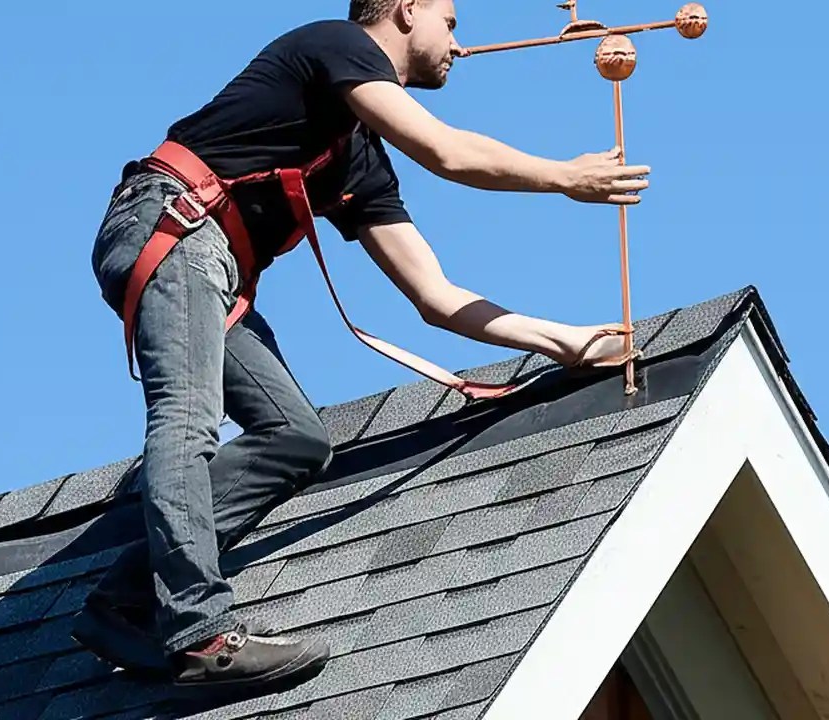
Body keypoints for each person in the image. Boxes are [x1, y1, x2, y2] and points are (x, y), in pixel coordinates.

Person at [73, 0, 650, 692]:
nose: (458, 45)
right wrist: (565, 177)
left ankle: (123, 600)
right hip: (173, 231)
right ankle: (200, 630)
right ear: (406, 10)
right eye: (452, 21)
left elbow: (434, 296)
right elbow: (447, 151)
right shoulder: (335, 44)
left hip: (205, 266)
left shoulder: (355, 156)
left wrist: (568, 343)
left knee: (296, 439)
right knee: (189, 418)